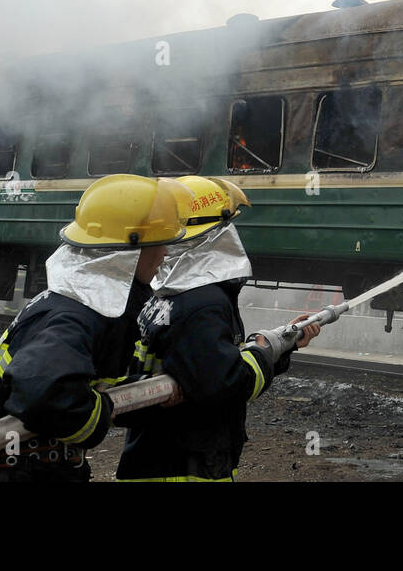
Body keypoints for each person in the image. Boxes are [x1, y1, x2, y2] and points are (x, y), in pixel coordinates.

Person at [0, 173, 194, 482]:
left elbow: (84, 385)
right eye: (159, 243)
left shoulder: (89, 308)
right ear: (128, 250)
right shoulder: (75, 318)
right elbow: (45, 394)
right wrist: (100, 412)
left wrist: (150, 393)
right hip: (24, 473)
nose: (165, 252)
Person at [114, 175, 319, 482]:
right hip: (185, 467)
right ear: (214, 234)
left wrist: (282, 344)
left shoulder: (167, 295)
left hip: (151, 455)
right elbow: (224, 385)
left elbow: (205, 365)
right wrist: (265, 349)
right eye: (228, 225)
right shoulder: (203, 303)